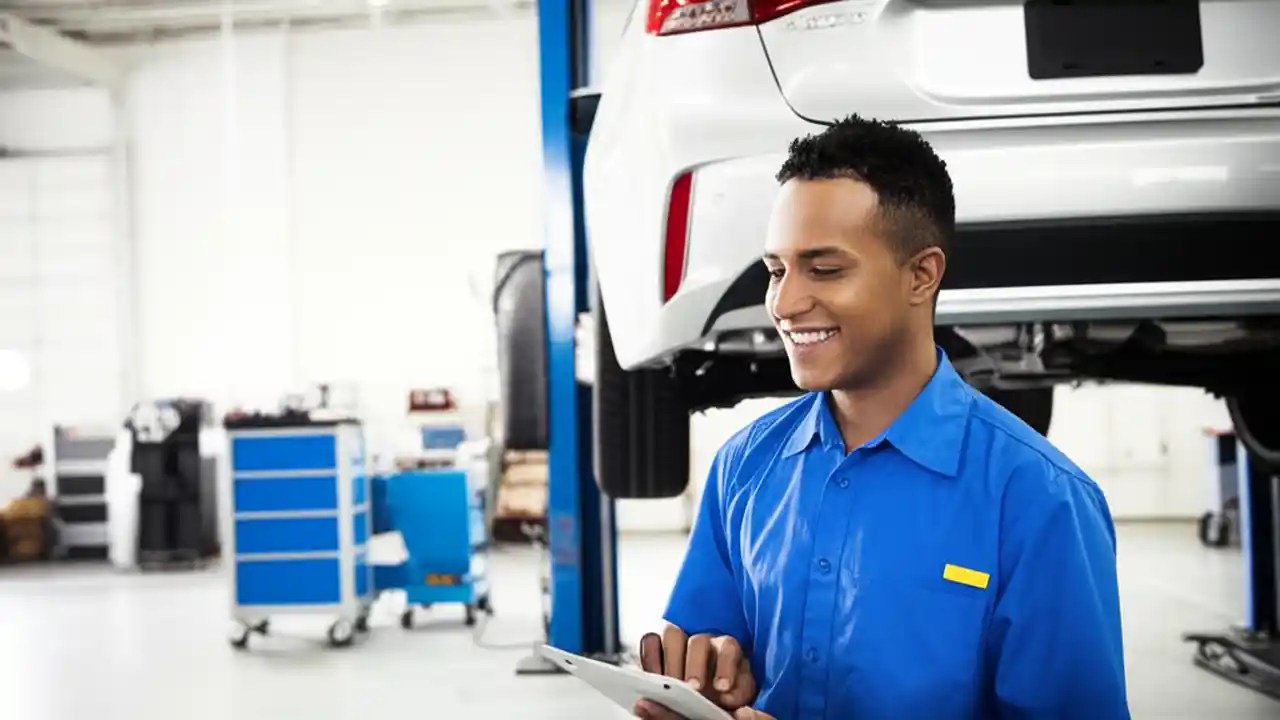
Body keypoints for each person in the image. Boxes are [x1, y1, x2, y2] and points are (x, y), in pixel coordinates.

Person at [634, 115, 1129, 720]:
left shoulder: (1039, 500)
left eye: (825, 269)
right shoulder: (744, 468)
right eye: (776, 270)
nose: (784, 304)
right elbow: (704, 661)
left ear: (921, 274)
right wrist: (706, 691)